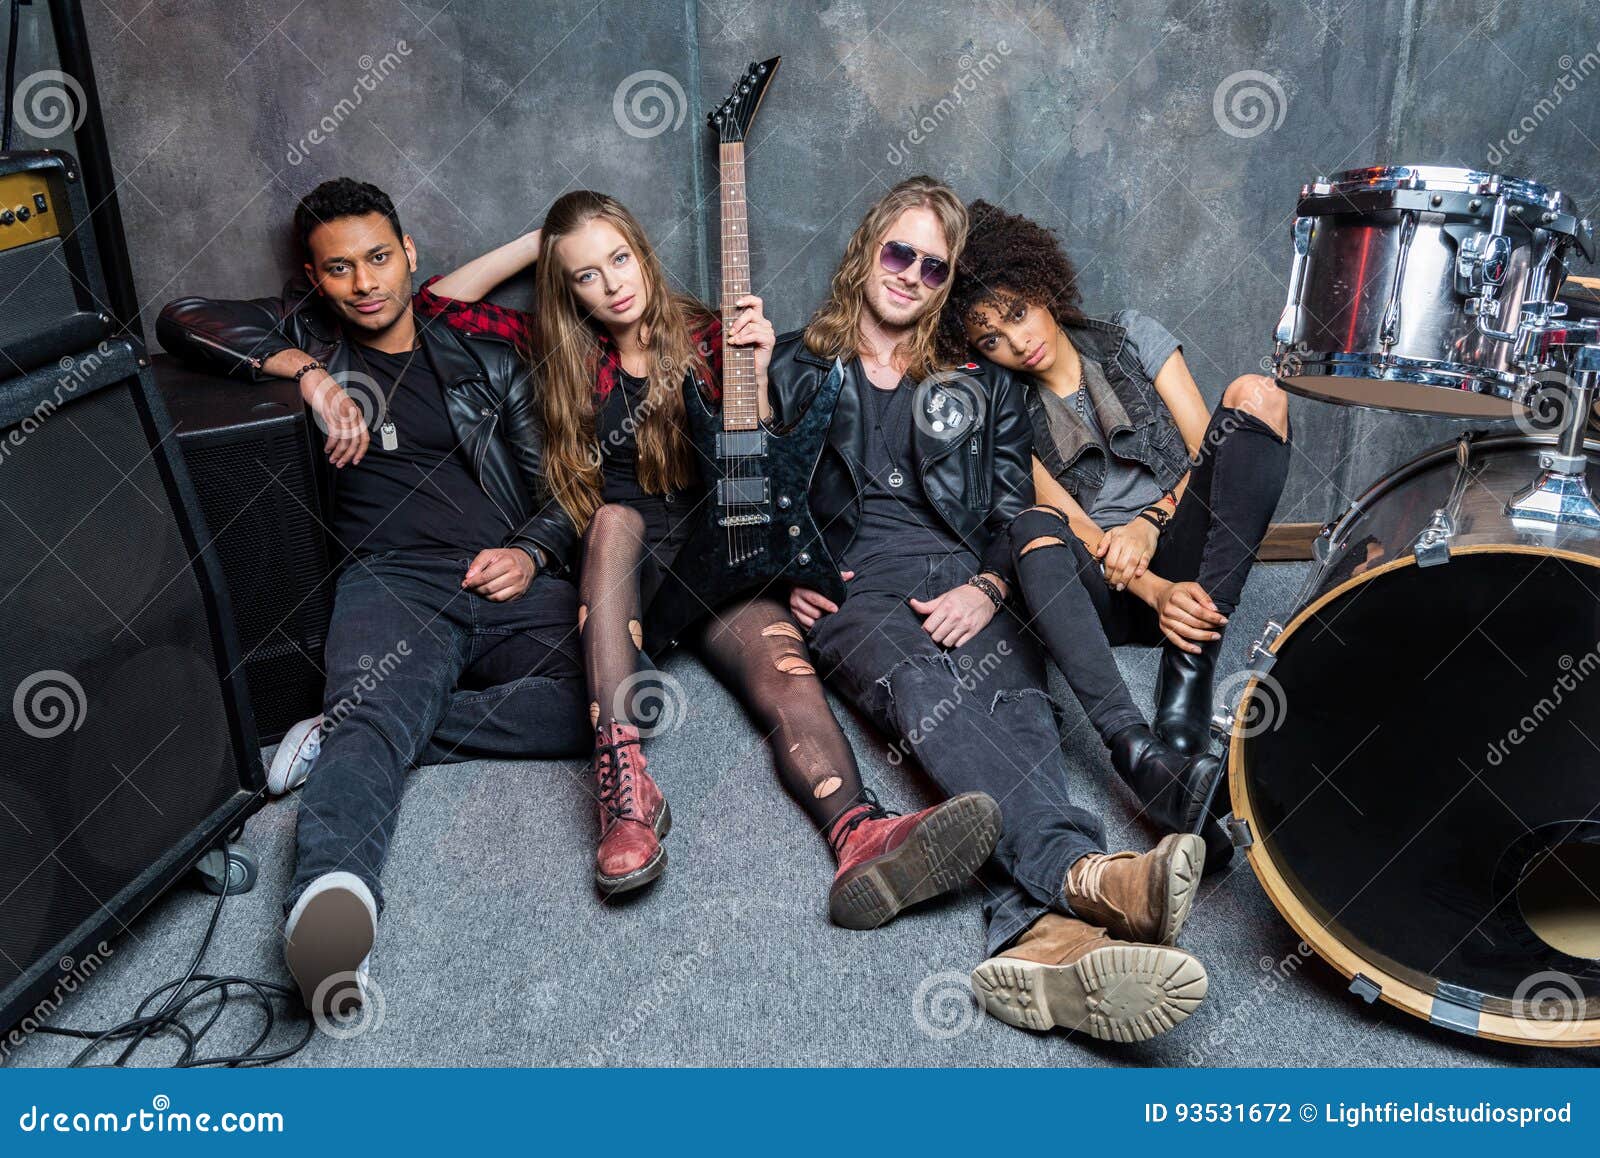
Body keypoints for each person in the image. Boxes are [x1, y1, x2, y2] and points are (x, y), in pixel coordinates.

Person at [413, 189, 1000, 922]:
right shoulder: (559, 349)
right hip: (621, 571)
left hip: (714, 555)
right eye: (587, 274)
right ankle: (627, 800)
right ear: (567, 287)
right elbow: (435, 305)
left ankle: (860, 831)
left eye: (620, 257)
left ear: (643, 253)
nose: (613, 282)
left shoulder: (710, 335)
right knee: (614, 521)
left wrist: (755, 372)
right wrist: (544, 241)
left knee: (785, 673)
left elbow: (767, 465)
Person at [779, 176, 1209, 1041]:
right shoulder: (791, 363)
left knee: (1017, 705)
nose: (911, 276)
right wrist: (780, 570)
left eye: (934, 268)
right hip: (856, 584)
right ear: (868, 250)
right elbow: (743, 491)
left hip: (965, 570)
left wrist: (987, 585)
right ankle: (1087, 876)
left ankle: (1035, 936)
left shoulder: (981, 381)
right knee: (924, 691)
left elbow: (1014, 507)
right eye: (899, 253)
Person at [157, 178, 591, 1018]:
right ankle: (331, 901)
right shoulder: (308, 343)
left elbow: (565, 494)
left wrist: (531, 554)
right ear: (316, 280)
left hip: (499, 573)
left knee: (619, 690)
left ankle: (372, 727)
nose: (366, 283)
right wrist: (311, 377)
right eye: (341, 268)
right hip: (394, 582)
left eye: (380, 258)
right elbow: (182, 317)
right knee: (375, 715)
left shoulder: (486, 360)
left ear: (411, 257)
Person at [940, 200, 1292, 865]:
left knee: (1258, 395)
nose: (1016, 343)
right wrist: (1155, 592)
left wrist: (1153, 524)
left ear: (1042, 288)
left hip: (1184, 552)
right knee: (1032, 524)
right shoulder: (1003, 409)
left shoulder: (1131, 336)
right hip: (1097, 588)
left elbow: (1204, 452)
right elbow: (1072, 526)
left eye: (1017, 313)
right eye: (991, 339)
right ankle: (1140, 757)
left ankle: (1188, 677)